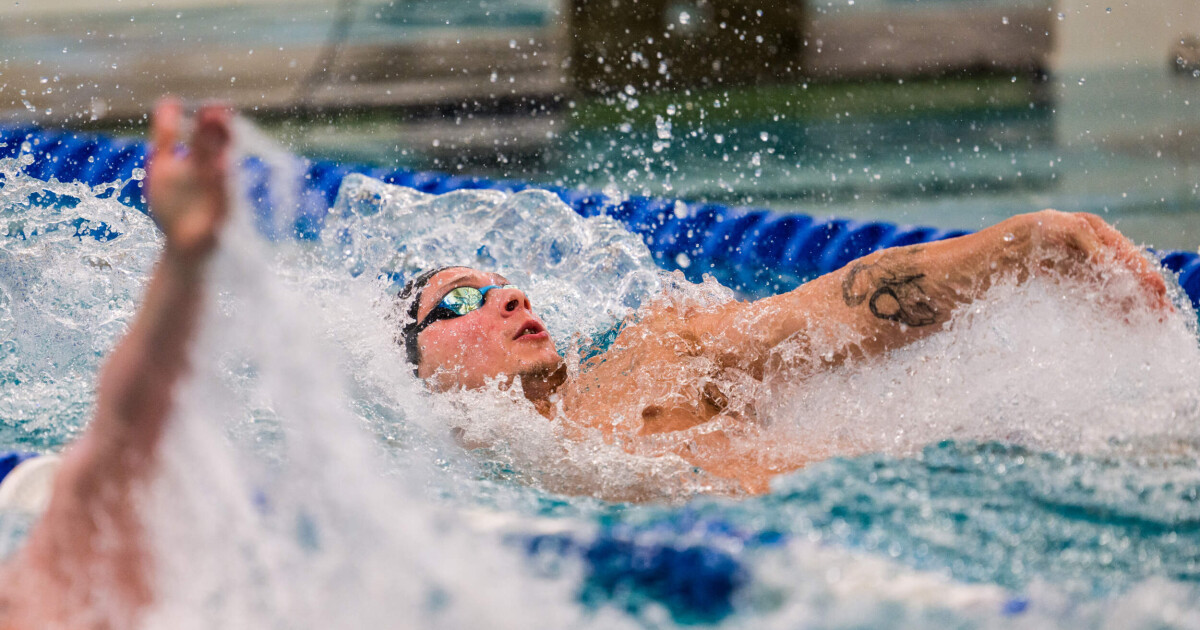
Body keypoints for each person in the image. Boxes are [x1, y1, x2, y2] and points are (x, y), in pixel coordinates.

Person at [0, 100, 1170, 628]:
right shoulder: (439, 465)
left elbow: (830, 309)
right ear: (417, 373)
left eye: (500, 282)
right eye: (455, 302)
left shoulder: (659, 352)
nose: (502, 293)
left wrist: (1028, 244)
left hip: (947, 498)